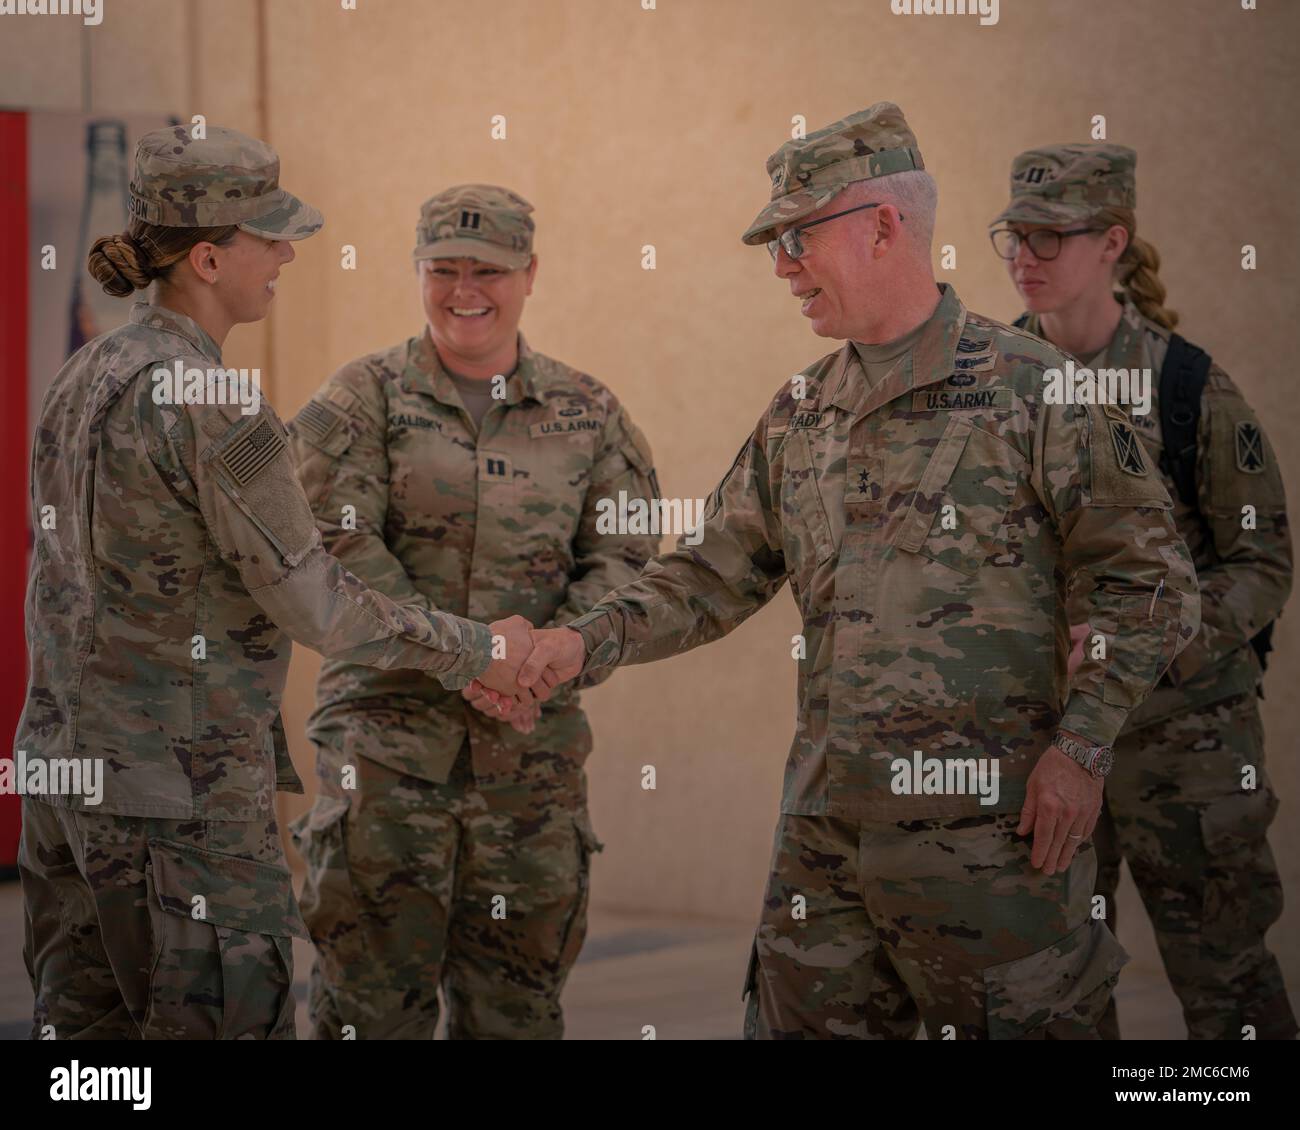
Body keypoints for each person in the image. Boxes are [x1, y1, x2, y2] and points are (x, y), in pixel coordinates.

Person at [517, 102, 1201, 1039]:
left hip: (995, 860)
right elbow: (709, 575)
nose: (780, 266)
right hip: (825, 857)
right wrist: (574, 643)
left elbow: (1152, 584)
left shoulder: (1040, 393)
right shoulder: (802, 413)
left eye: (798, 237)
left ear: (884, 226)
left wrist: (1084, 748)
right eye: (773, 244)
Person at [15, 126, 531, 1041]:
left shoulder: (79, 377)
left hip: (61, 786)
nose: (288, 253)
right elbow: (316, 601)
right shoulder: (213, 402)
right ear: (208, 257)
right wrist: (481, 648)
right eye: (270, 235)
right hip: (181, 804)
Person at [288, 184, 660, 1039]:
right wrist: (470, 655)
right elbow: (340, 554)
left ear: (530, 273)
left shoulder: (591, 414)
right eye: (444, 269)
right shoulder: (358, 403)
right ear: (417, 272)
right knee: (367, 1014)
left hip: (530, 766)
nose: (466, 290)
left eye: (487, 270)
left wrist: (546, 659)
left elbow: (627, 560)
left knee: (517, 1015)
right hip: (384, 764)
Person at [988, 143, 1296, 1041]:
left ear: (1112, 240)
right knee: (1059, 991)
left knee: (1226, 981)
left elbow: (1261, 566)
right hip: (1049, 741)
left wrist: (1152, 647)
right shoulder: (991, 385)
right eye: (1014, 236)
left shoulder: (1190, 386)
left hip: (1184, 743)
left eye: (1051, 237)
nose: (1025, 257)